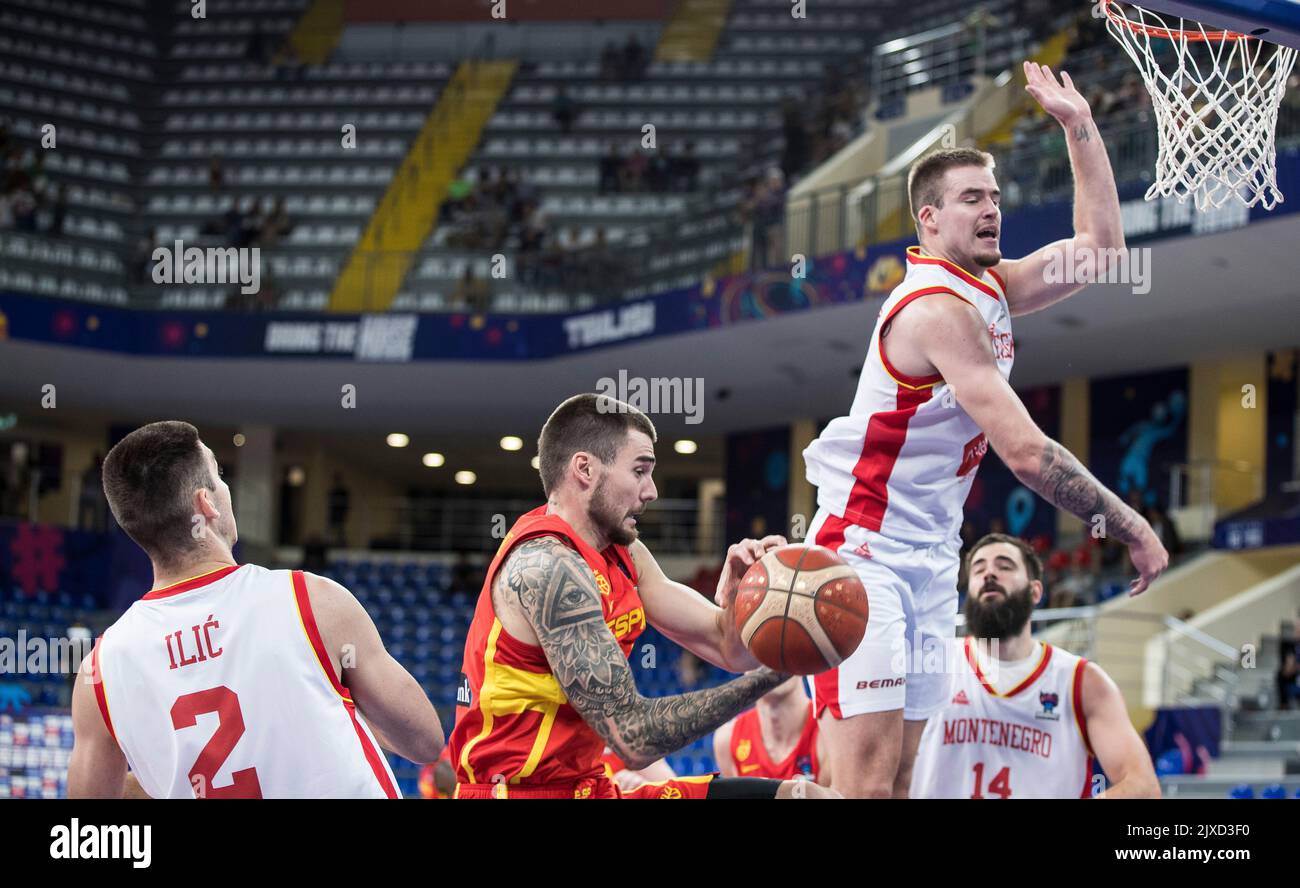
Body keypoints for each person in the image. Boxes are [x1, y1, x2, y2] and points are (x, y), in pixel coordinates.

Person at [796, 62, 1168, 799]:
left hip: (933, 562)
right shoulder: (938, 310)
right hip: (863, 554)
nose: (992, 209)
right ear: (928, 219)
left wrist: (1080, 128)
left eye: (994, 196)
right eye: (971, 199)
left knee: (903, 781)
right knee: (863, 786)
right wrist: (1127, 524)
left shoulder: (992, 286)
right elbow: (1028, 454)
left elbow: (1100, 249)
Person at [447, 394, 838, 799]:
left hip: (588, 787)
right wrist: (774, 673)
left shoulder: (625, 552)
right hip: (517, 793)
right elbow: (634, 739)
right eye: (640, 471)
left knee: (805, 796)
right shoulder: (546, 568)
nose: (651, 491)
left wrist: (751, 599)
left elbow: (729, 648)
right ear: (584, 469)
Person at [68, 422, 443, 798]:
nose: (227, 488)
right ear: (206, 503)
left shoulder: (99, 669)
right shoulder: (308, 598)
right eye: (220, 474)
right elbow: (424, 741)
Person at [910, 534, 1161, 798]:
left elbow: (1143, 787)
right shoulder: (931, 664)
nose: (989, 574)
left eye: (1004, 566)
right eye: (979, 569)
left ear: (1035, 591)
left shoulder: (1081, 681)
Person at [714, 676, 828, 784]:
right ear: (744, 667)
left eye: (781, 655)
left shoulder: (828, 734)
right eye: (759, 656)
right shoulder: (727, 740)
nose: (769, 663)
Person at [327, 473, 349, 547]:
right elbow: (330, 501)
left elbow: (345, 502)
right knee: (331, 528)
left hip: (340, 513)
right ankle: (329, 542)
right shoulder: (333, 490)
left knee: (340, 529)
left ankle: (342, 543)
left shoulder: (342, 491)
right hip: (333, 513)